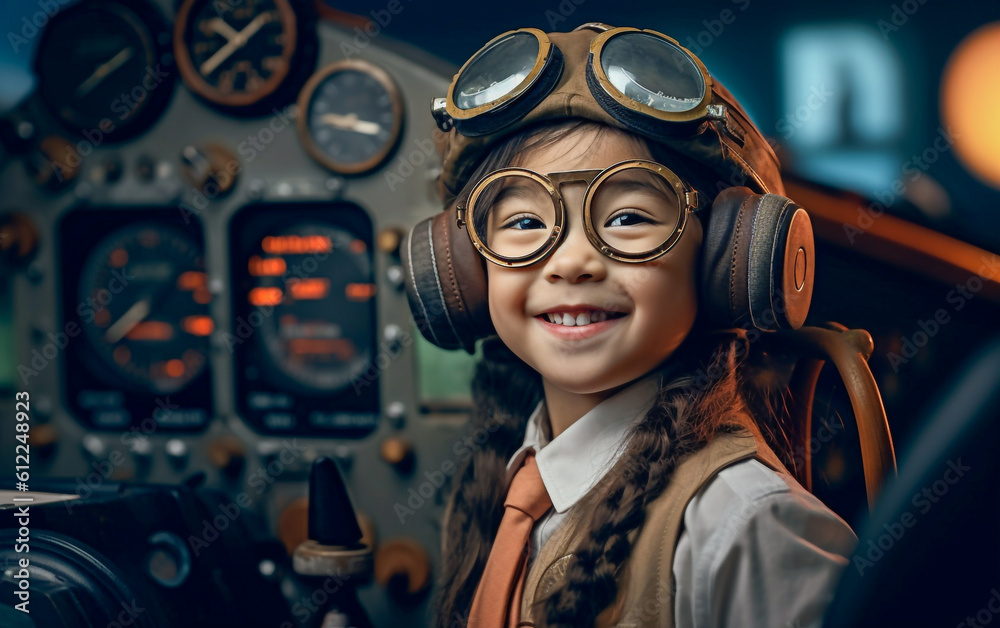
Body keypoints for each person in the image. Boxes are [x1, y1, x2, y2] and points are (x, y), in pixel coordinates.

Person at [401, 22, 857, 628]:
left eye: (628, 216)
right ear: (464, 269)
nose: (571, 261)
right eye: (524, 223)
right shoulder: (503, 489)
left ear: (728, 257)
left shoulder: (749, 529)